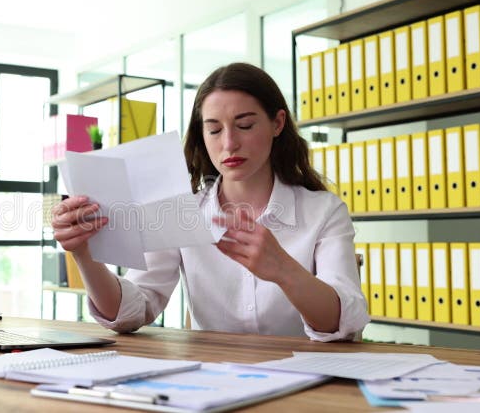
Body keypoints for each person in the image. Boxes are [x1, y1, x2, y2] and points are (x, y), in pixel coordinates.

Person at [51, 62, 369, 341]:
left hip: (308, 387)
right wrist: (84, 255)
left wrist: (283, 270)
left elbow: (345, 322)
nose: (229, 143)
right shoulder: (183, 210)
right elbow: (133, 311)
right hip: (213, 383)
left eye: (245, 125)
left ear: (278, 123)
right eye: (214, 130)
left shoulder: (324, 211)